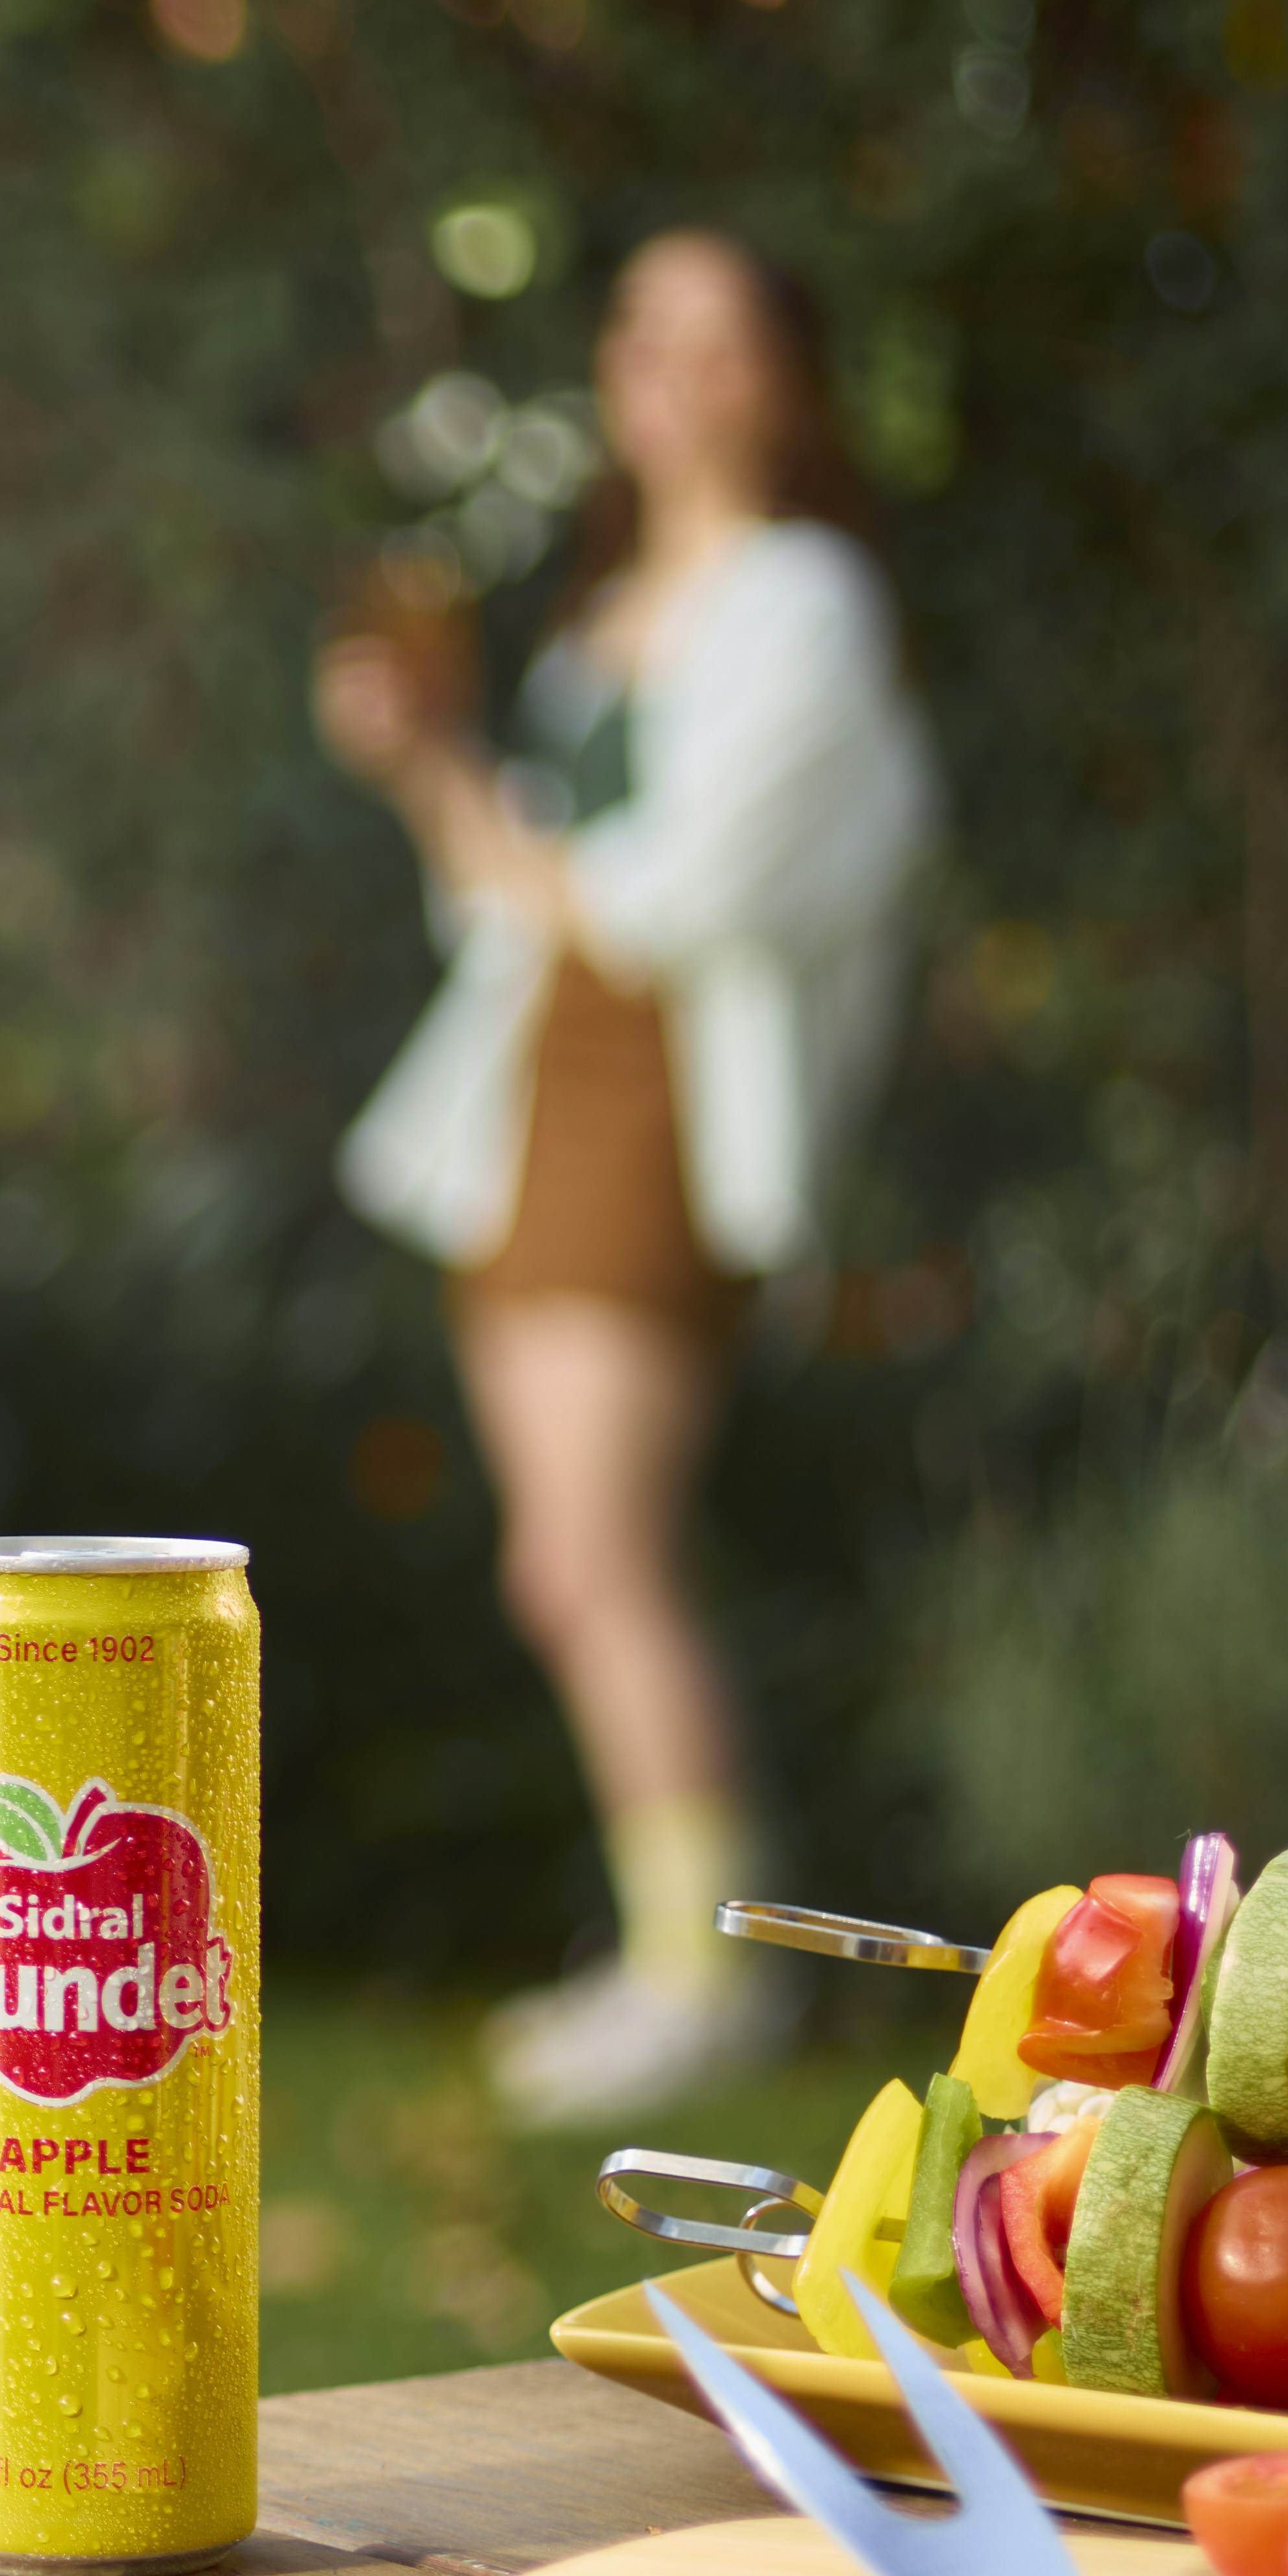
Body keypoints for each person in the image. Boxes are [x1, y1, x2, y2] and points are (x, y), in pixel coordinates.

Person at [319, 230, 935, 2125]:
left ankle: (703, 1976)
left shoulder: (803, 603)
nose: (673, 369)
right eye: (643, 333)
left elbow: (692, 895)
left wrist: (488, 828)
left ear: (792, 380)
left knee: (595, 1555)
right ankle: (683, 1948)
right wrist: (426, 769)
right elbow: (506, 890)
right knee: (564, 1560)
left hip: (661, 1098)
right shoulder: (610, 603)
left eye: (721, 339)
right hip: (538, 1090)